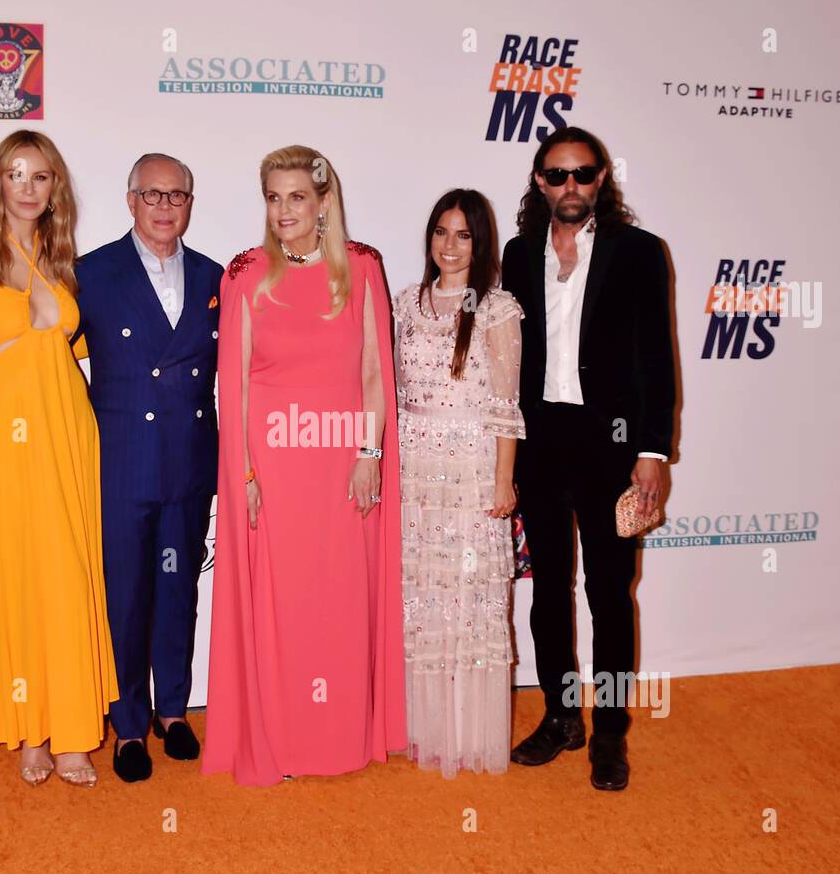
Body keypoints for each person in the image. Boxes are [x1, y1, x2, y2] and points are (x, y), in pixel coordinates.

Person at [0, 152, 222, 784]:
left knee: (178, 590)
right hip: (117, 460)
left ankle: (173, 711)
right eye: (150, 194)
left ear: (189, 205)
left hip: (187, 460)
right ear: (130, 200)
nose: (163, 206)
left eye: (176, 196)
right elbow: (53, 341)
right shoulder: (88, 272)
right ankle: (128, 723)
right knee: (124, 595)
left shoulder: (215, 278)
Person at [202, 145, 405, 786]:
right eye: (273, 197)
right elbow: (228, 388)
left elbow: (375, 370)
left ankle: (340, 734)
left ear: (323, 203)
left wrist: (370, 453)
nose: (284, 210)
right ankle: (280, 739)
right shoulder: (245, 274)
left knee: (339, 600)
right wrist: (244, 476)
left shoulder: (363, 268)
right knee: (280, 607)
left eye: (297, 197)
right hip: (274, 468)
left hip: (344, 463)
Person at [0, 129, 118, 788]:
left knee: (67, 579)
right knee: (18, 579)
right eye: (15, 175)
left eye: (41, 176)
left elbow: (73, 346)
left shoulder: (63, 259)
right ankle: (30, 733)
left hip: (68, 432)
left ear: (54, 186)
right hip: (2, 442)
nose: (28, 188)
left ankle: (71, 737)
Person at [502, 127, 676, 791]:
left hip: (612, 447)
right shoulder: (518, 255)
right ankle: (560, 716)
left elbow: (655, 358)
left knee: (608, 595)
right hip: (540, 445)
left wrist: (652, 450)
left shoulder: (639, 252)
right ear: (539, 183)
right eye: (555, 175)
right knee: (549, 594)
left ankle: (609, 735)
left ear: (601, 178)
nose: (569, 186)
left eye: (581, 173)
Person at [393, 189, 525, 779]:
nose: (449, 246)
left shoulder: (498, 309)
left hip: (472, 469)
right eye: (441, 233)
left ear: (481, 243)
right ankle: (423, 729)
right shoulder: (403, 304)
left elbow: (505, 404)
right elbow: (390, 393)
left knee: (471, 602)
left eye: (463, 235)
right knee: (422, 600)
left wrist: (504, 481)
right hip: (415, 471)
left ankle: (470, 734)